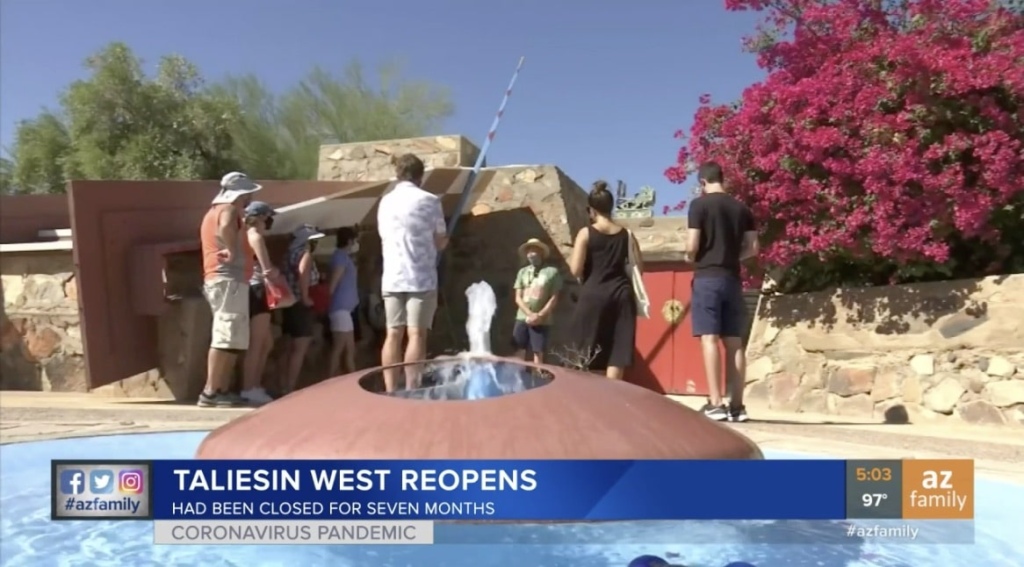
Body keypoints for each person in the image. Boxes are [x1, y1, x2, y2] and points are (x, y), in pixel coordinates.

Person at [686, 161, 758, 422]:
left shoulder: (699, 205)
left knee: (709, 338)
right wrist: (731, 256)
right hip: (732, 278)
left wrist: (689, 255)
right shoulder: (742, 209)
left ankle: (715, 404)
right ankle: (737, 407)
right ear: (722, 178)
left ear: (702, 182)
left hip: (707, 277)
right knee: (734, 343)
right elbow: (752, 248)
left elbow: (692, 244)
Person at [376, 153, 447, 392]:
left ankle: (389, 388)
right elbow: (439, 240)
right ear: (420, 175)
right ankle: (411, 388)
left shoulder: (385, 201)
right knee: (416, 334)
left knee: (392, 334)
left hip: (392, 277)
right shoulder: (430, 200)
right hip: (421, 276)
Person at [197, 172, 262, 407]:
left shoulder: (212, 212)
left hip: (223, 280)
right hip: (228, 279)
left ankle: (219, 388)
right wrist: (232, 250)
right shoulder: (229, 210)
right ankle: (210, 391)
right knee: (224, 336)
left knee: (230, 338)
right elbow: (226, 227)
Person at [567, 181, 641, 379]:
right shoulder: (628, 235)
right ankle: (612, 401)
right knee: (617, 351)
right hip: (621, 296)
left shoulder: (586, 233)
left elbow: (575, 269)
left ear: (591, 210)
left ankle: (585, 400)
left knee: (584, 347)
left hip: (593, 294)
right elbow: (638, 270)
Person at [239, 201, 278, 405]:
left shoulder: (244, 236)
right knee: (257, 343)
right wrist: (277, 277)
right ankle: (249, 387)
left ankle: (254, 384)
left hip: (251, 288)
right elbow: (267, 269)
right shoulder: (256, 237)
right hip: (257, 288)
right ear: (261, 217)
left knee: (266, 342)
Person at [281, 224, 326, 394]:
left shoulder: (288, 255)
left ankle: (282, 383)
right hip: (301, 303)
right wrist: (306, 296)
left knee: (288, 346)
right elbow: (303, 274)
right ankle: (290, 387)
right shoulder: (304, 255)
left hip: (289, 303)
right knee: (300, 347)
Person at [512, 238, 562, 364]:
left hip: (542, 321)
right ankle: (518, 378)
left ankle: (537, 376)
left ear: (541, 252)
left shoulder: (552, 272)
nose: (531, 254)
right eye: (529, 250)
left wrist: (540, 315)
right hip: (522, 317)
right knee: (519, 349)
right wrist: (529, 314)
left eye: (534, 250)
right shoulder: (522, 272)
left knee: (538, 351)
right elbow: (518, 297)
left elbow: (554, 297)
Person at [327, 227, 360, 377]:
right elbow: (334, 282)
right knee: (341, 347)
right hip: (340, 309)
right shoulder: (340, 257)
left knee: (349, 348)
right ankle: (329, 378)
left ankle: (349, 378)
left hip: (345, 310)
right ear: (349, 241)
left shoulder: (344, 257)